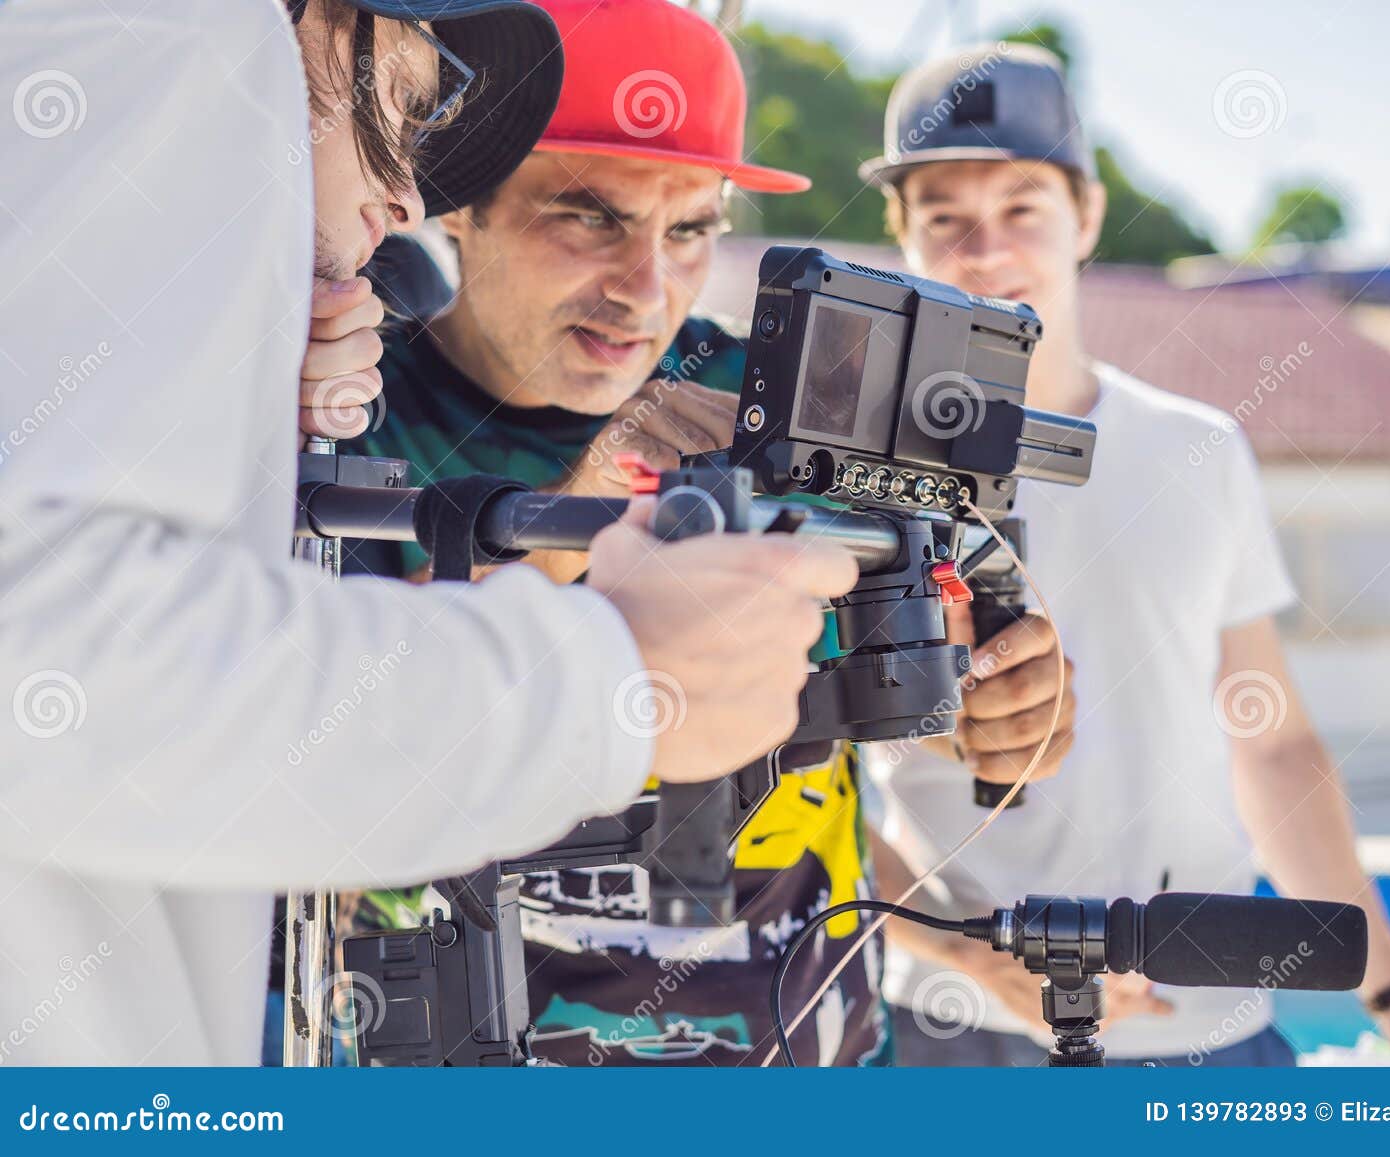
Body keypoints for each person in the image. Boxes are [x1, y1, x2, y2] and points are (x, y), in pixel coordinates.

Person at [0, 0, 853, 1066]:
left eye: (691, 227)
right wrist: (607, 675)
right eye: (407, 103)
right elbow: (47, 661)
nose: (404, 193)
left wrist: (246, 402)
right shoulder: (192, 32)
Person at [345, 0, 1076, 1066]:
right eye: (589, 216)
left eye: (689, 228)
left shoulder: (793, 394)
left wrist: (1013, 706)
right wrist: (589, 503)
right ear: (459, 204)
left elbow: (971, 691)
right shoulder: (346, 406)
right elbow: (330, 738)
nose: (646, 287)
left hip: (808, 1050)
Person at [860, 45, 1390, 1067]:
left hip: (1215, 1024)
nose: (985, 249)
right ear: (902, 234)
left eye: (1021, 206)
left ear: (1087, 217)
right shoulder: (857, 465)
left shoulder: (1194, 448)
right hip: (955, 1032)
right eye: (944, 216)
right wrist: (977, 962)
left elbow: (1272, 742)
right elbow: (801, 781)